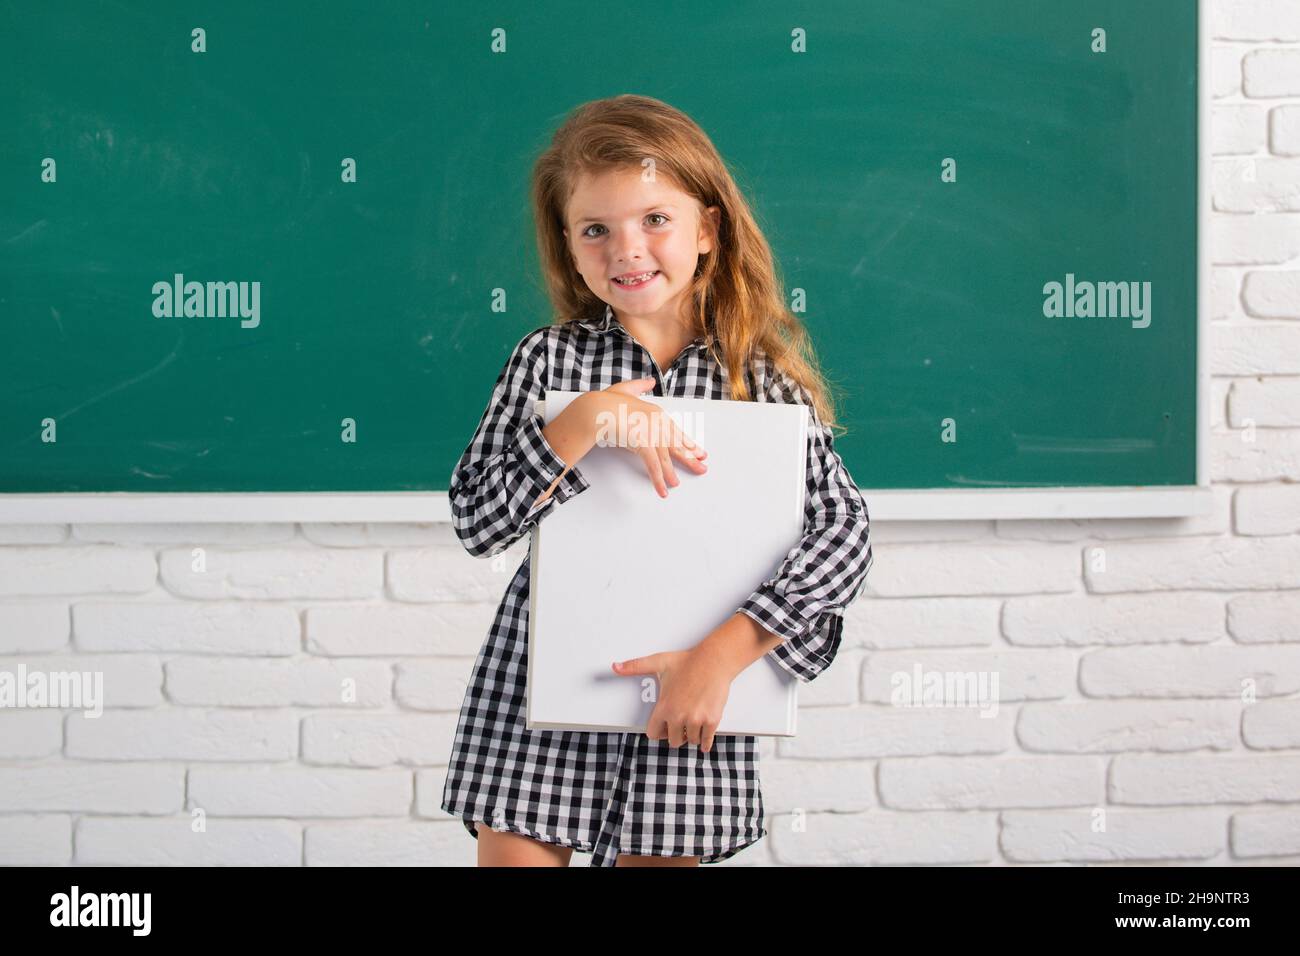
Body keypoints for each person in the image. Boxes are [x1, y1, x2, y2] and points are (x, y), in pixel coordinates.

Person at [440, 93, 874, 867]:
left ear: (707, 230)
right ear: (569, 248)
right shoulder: (548, 362)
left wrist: (722, 658)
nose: (626, 249)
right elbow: (477, 520)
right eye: (595, 229)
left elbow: (844, 534)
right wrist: (580, 425)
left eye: (655, 220)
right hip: (546, 686)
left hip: (690, 691)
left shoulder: (761, 382)